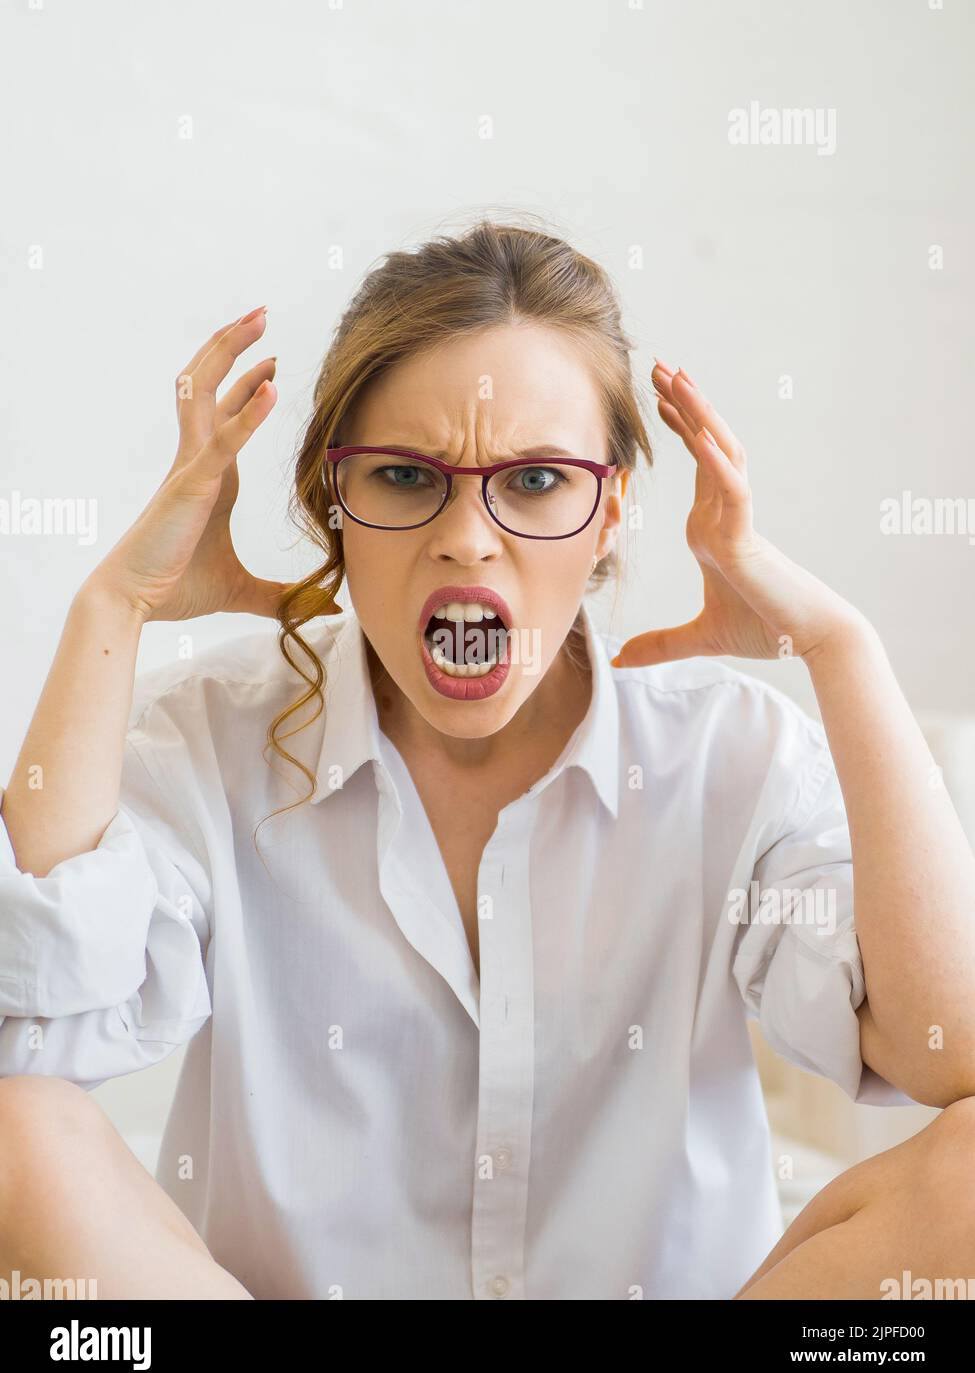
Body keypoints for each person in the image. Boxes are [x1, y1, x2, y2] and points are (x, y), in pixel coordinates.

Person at [1, 221, 974, 1301]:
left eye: (539, 481)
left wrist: (843, 649)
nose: (468, 537)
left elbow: (947, 1048)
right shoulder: (213, 737)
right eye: (409, 476)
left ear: (611, 514)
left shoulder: (724, 757)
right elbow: (33, 1037)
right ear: (335, 511)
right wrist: (117, 605)